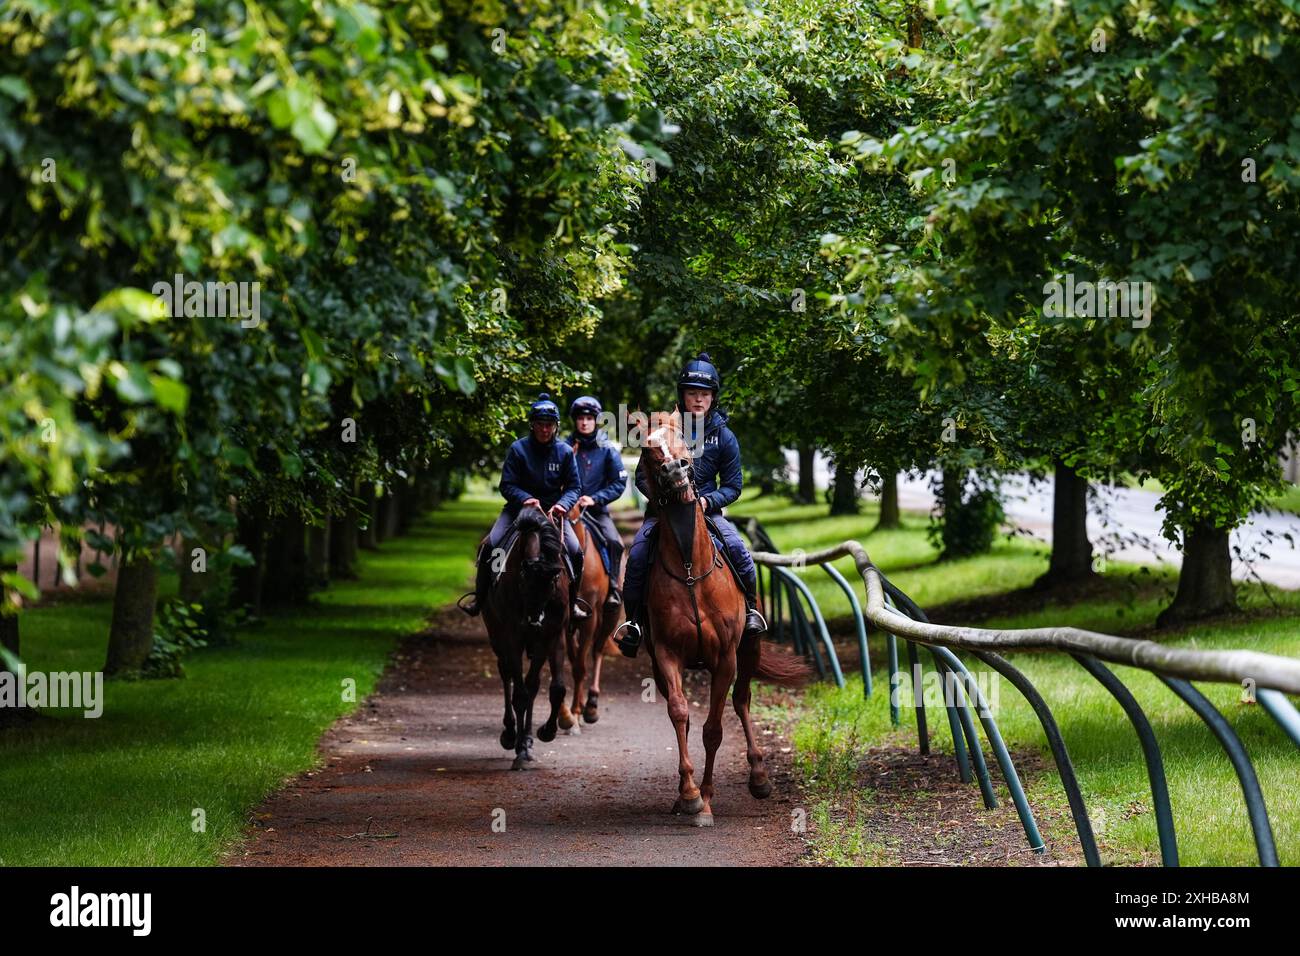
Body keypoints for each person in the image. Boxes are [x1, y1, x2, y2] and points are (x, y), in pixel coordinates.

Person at [615, 353, 766, 657]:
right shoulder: (664, 428)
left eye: (705, 394)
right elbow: (642, 477)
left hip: (707, 513)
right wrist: (663, 501)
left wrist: (708, 500)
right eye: (692, 393)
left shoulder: (724, 436)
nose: (698, 400)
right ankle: (633, 623)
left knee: (739, 550)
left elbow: (734, 486)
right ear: (682, 396)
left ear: (713, 397)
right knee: (639, 555)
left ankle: (750, 611)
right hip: (663, 514)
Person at [459, 393, 587, 620]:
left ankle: (573, 602)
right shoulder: (518, 450)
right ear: (532, 425)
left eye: (549, 425)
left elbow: (574, 487)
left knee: (576, 550)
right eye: (540, 425)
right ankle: (481, 597)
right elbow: (506, 485)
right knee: (491, 545)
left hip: (552, 514)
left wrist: (561, 505)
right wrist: (525, 498)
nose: (545, 430)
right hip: (518, 511)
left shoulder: (565, 452)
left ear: (556, 427)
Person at [565, 396, 628, 610]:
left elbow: (619, 482)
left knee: (615, 541)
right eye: (581, 418)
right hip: (566, 510)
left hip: (597, 511)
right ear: (575, 420)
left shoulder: (607, 448)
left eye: (589, 418)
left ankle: (612, 587)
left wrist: (595, 499)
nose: (584, 422)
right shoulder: (563, 446)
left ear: (596, 421)